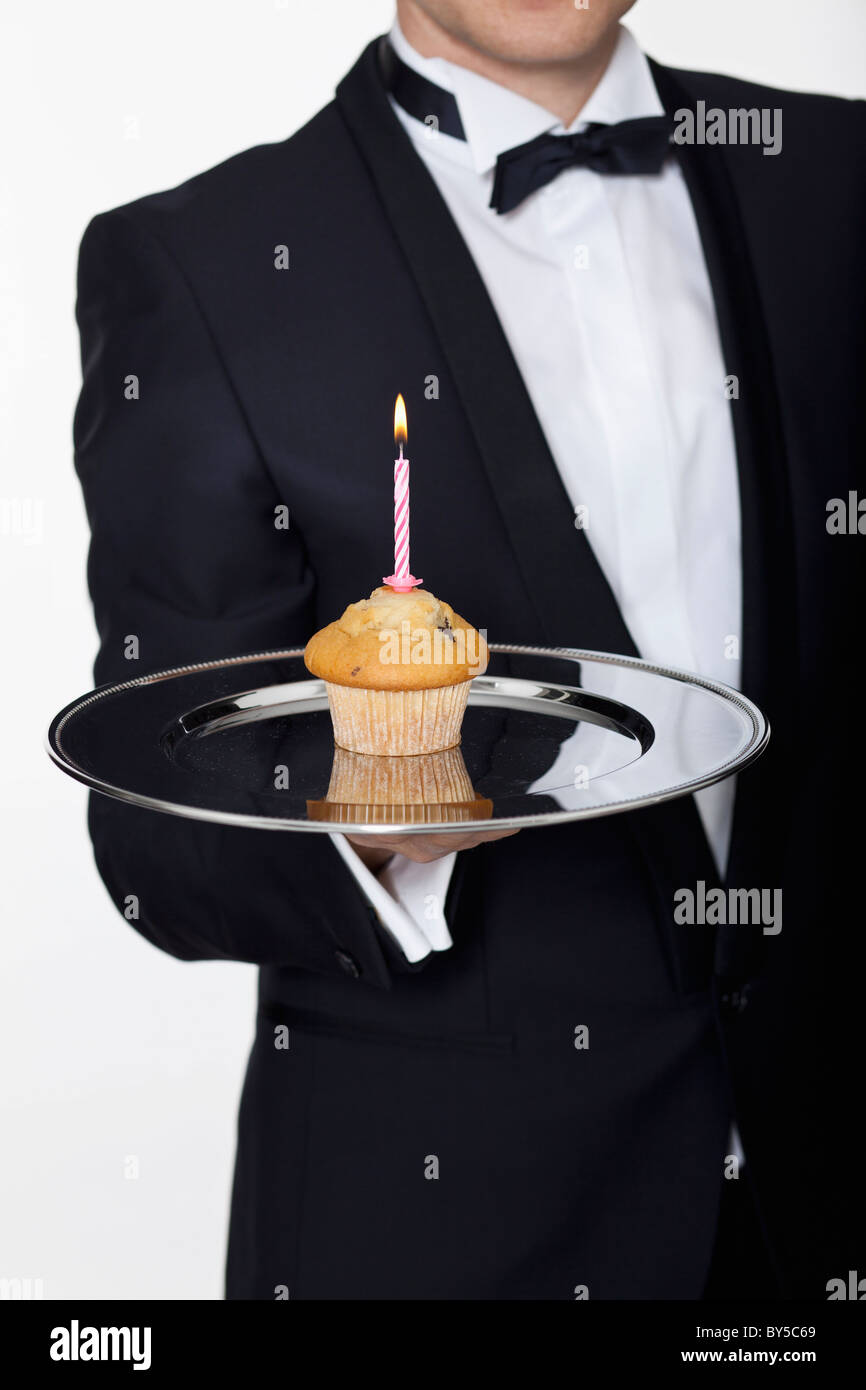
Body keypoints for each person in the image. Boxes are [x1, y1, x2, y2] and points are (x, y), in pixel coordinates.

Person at [73, 0, 858, 1299]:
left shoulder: (832, 173)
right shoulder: (203, 263)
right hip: (444, 1232)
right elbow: (153, 832)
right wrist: (374, 819)